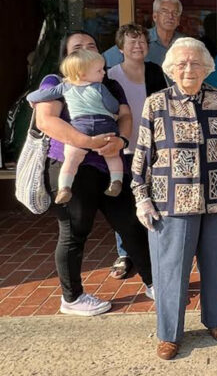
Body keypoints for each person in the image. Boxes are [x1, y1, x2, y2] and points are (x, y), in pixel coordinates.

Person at [131, 37, 217, 360]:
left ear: (207, 67)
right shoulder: (156, 104)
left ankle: (216, 320)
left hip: (216, 199)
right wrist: (141, 197)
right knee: (170, 272)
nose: (189, 69)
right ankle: (169, 334)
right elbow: (142, 155)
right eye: (181, 63)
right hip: (171, 202)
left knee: (214, 266)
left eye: (195, 63)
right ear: (171, 68)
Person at [33, 31, 153, 316]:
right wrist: (88, 143)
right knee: (74, 231)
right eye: (77, 47)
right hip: (71, 167)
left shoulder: (108, 82)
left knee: (132, 224)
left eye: (91, 46)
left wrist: (122, 140)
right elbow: (46, 120)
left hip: (109, 164)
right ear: (67, 56)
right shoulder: (56, 82)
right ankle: (72, 298)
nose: (85, 50)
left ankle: (155, 282)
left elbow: (124, 115)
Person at [106, 24, 170, 279]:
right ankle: (125, 253)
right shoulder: (110, 75)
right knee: (124, 204)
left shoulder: (154, 71)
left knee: (151, 199)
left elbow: (164, 107)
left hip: (151, 147)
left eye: (142, 41)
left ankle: (152, 250)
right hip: (123, 149)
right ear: (120, 48)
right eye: (132, 42)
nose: (138, 46)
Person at [27, 50, 124, 204]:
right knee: (112, 155)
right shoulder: (100, 87)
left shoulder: (64, 86)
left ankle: (64, 187)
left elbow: (40, 95)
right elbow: (113, 106)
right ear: (82, 74)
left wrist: (31, 99)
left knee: (71, 159)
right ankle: (116, 181)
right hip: (104, 125)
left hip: (80, 126)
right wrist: (114, 111)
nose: (104, 73)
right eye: (99, 70)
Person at [103, 0, 184, 67]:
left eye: (175, 13)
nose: (170, 16)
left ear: (179, 20)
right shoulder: (139, 38)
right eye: (164, 12)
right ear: (155, 16)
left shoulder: (185, 43)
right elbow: (105, 60)